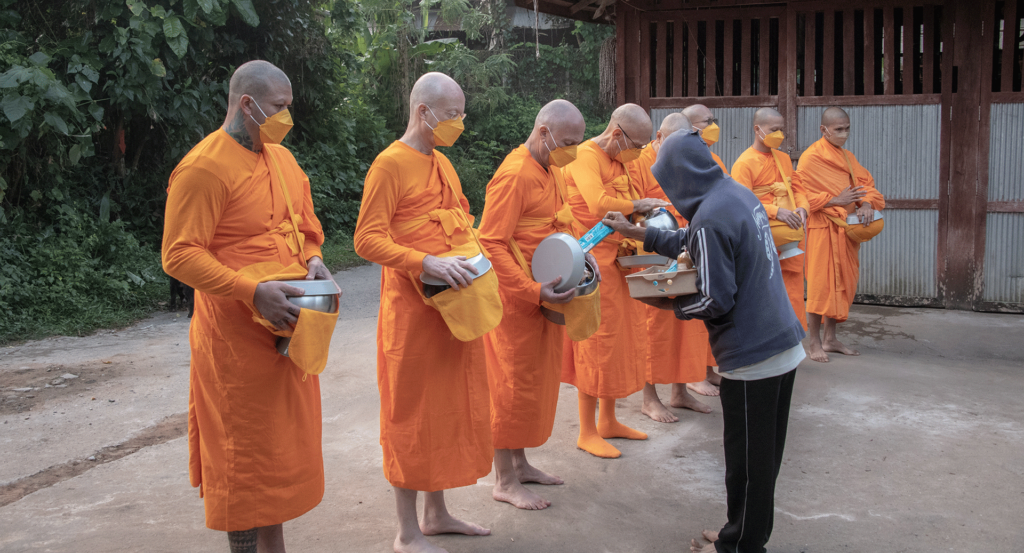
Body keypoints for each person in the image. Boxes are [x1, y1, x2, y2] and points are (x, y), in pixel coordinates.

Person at [602, 129, 805, 553]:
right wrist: (639, 234)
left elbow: (715, 298)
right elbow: (694, 238)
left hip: (753, 354)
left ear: (680, 177)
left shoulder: (710, 216)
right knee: (762, 458)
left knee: (746, 464)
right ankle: (743, 532)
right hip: (781, 342)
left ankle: (740, 545)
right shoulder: (733, 194)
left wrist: (667, 302)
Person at [163, 60, 334, 553]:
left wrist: (315, 259)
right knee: (243, 455)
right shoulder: (204, 167)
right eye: (280, 106)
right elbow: (179, 255)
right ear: (247, 104)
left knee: (278, 451)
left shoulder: (282, 159)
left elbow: (306, 226)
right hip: (235, 339)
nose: (287, 116)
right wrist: (252, 291)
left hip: (287, 327)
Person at [354, 72, 493, 553]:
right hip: (412, 313)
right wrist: (424, 261)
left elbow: (461, 222)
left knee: (445, 411)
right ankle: (406, 530)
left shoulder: (443, 163)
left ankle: (437, 514)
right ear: (423, 112)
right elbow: (366, 239)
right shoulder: (389, 165)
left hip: (454, 307)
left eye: (461, 114)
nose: (459, 123)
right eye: (452, 114)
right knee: (410, 415)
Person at [478, 99, 595, 510]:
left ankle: (521, 464)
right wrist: (530, 289)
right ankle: (504, 480)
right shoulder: (514, 175)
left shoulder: (551, 168)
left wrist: (581, 256)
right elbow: (490, 242)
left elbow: (560, 225)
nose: (574, 150)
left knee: (533, 385)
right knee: (510, 388)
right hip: (516, 300)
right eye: (568, 142)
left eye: (578, 142)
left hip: (547, 292)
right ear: (543, 132)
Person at [561, 103, 670, 458]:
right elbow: (597, 204)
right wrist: (638, 204)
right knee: (595, 341)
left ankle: (608, 420)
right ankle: (586, 430)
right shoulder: (585, 156)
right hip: (593, 260)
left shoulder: (624, 159)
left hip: (622, 259)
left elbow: (635, 199)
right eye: (637, 145)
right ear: (617, 134)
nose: (640, 152)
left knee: (620, 341)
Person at [635, 113, 715, 423]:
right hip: (654, 245)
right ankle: (649, 398)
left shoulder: (687, 158)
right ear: (659, 137)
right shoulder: (641, 161)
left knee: (686, 321)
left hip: (686, 244)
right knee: (654, 328)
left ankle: (680, 391)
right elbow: (632, 207)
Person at [794, 107, 886, 363]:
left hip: (845, 230)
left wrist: (865, 204)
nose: (844, 134)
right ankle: (814, 342)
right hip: (822, 228)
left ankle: (830, 339)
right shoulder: (811, 157)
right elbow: (800, 195)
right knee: (821, 286)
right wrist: (835, 199)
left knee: (841, 283)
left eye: (847, 129)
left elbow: (865, 185)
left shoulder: (847, 156)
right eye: (838, 129)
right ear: (823, 130)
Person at [731, 108, 810, 331]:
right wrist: (776, 211)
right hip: (763, 236)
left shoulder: (783, 158)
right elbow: (742, 201)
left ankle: (793, 337)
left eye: (781, 130)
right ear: (758, 129)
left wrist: (803, 207)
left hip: (790, 233)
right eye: (774, 130)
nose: (780, 135)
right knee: (765, 289)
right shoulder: (744, 163)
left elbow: (797, 188)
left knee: (792, 289)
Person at [680, 103, 727, 393]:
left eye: (713, 120)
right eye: (706, 122)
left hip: (708, 239)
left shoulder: (713, 158)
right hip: (684, 239)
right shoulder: (678, 158)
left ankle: (707, 369)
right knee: (690, 315)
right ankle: (691, 374)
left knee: (710, 308)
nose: (713, 126)